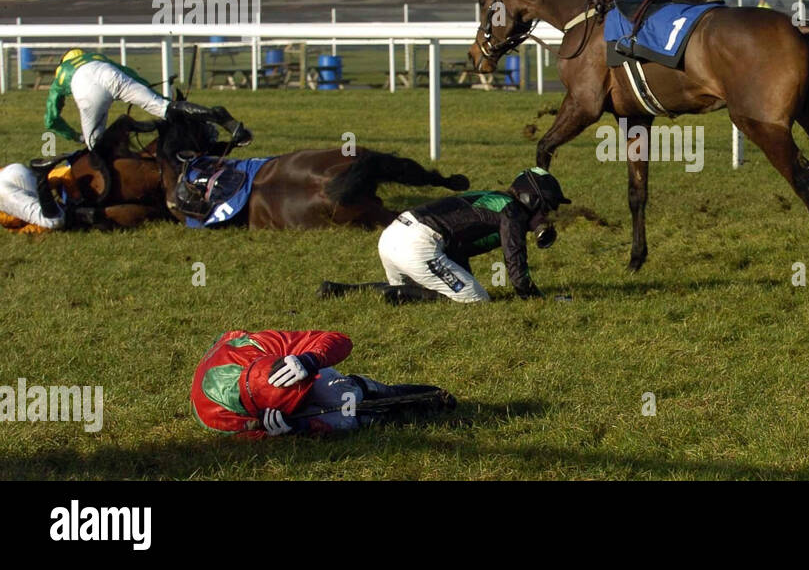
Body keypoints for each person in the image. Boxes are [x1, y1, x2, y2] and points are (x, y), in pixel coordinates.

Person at [319, 168, 570, 305]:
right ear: (531, 199)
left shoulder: (495, 200)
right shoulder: (512, 212)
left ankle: (342, 290)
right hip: (417, 245)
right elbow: (515, 262)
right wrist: (532, 298)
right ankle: (397, 293)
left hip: (393, 235)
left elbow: (457, 246)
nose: (548, 215)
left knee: (419, 290)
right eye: (547, 207)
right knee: (477, 301)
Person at [191, 329, 455, 439]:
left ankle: (377, 391)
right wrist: (301, 428)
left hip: (279, 368)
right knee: (343, 422)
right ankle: (371, 420)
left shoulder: (262, 345)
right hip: (274, 415)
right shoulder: (218, 418)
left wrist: (311, 359)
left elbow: (339, 339)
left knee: (342, 393)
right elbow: (252, 440)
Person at [44, 49, 253, 156]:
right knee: (165, 109)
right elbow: (130, 74)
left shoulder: (60, 76)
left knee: (94, 147)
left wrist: (76, 136)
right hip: (110, 74)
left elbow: (51, 119)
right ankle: (219, 116)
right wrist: (152, 96)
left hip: (87, 90)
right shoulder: (95, 56)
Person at [0, 158, 75, 233]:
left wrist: (21, 231)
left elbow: (13, 219)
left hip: (4, 189)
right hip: (13, 170)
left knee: (54, 221)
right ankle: (42, 175)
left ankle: (41, 175)